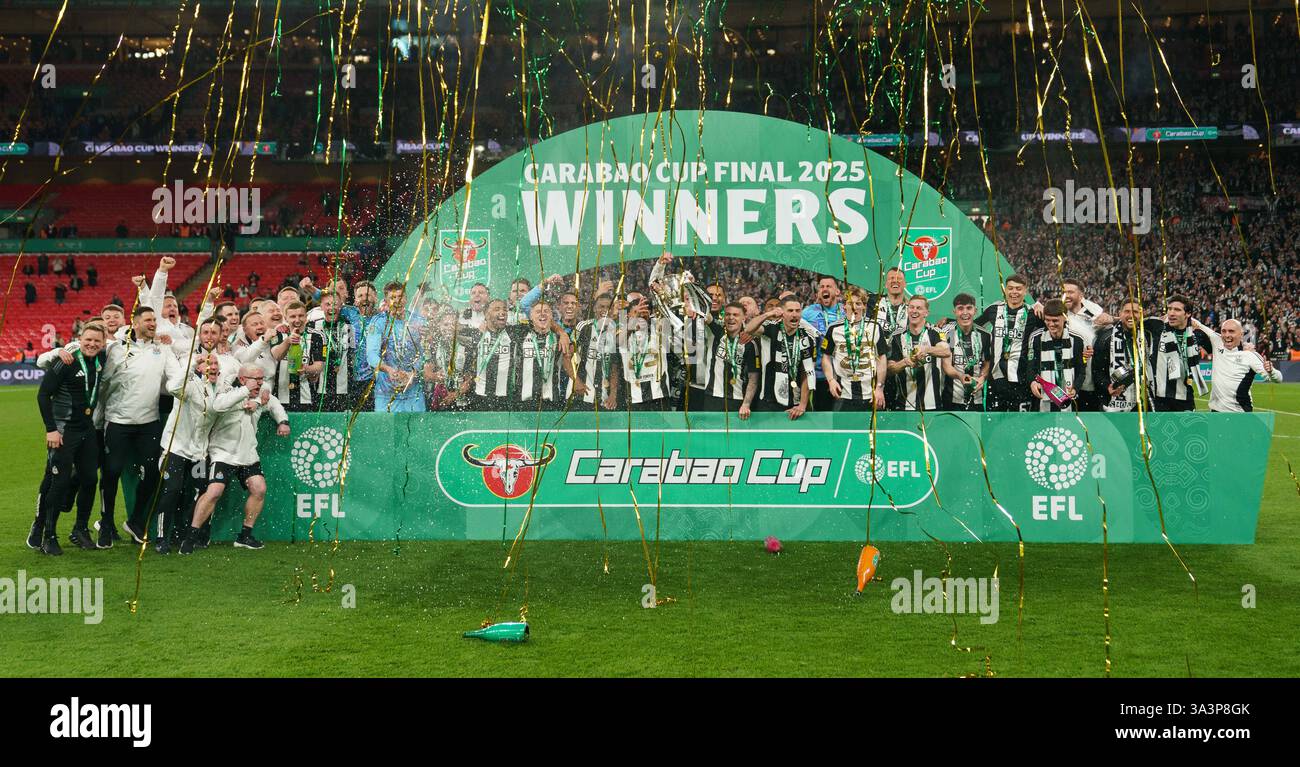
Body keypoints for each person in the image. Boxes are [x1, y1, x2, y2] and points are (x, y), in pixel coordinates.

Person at [98, 306, 181, 545]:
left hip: (149, 422)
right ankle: (106, 524)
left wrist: (182, 389)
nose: (153, 323)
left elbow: (175, 375)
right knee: (111, 472)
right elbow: (104, 382)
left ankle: (135, 521)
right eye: (147, 320)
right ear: (135, 323)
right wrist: (100, 414)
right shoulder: (117, 349)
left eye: (154, 319)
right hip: (118, 422)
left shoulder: (162, 348)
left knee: (154, 473)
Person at [186, 365, 290, 551]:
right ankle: (192, 535)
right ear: (242, 380)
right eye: (256, 379)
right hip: (222, 454)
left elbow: (275, 405)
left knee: (259, 489)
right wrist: (246, 393)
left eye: (261, 379)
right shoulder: (228, 393)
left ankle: (245, 536)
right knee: (214, 492)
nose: (260, 383)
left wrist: (282, 422)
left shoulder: (261, 396)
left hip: (248, 455)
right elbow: (218, 405)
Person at [154, 353, 249, 554]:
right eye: (207, 363)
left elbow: (234, 397)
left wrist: (256, 399)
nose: (212, 366)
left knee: (199, 493)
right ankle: (161, 538)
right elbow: (172, 387)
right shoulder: (189, 386)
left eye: (215, 363)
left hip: (199, 452)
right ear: (199, 368)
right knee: (172, 490)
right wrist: (190, 366)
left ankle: (187, 534)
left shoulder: (222, 389)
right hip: (176, 448)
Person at [30, 324, 107, 555]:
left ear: (103, 344)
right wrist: (51, 429)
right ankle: (48, 535)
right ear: (79, 339)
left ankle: (80, 529)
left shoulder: (100, 359)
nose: (92, 344)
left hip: (87, 430)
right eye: (88, 340)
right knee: (59, 482)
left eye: (97, 341)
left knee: (90, 480)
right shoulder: (66, 361)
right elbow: (43, 395)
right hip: (63, 432)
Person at [975, 273, 1043, 412]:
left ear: (1025, 291)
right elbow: (973, 325)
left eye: (1018, 289)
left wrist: (1042, 307)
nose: (1014, 292)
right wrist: (949, 321)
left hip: (1021, 379)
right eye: (1010, 288)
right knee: (994, 423)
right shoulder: (994, 309)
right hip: (996, 379)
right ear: (1005, 290)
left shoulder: (1032, 313)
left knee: (1019, 424)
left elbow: (1054, 329)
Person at [1190, 317, 1283, 412]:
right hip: (1215, 413)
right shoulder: (1216, 341)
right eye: (1224, 331)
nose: (1227, 335)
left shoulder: (1249, 355)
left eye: (1231, 331)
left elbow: (1279, 378)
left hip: (1240, 414)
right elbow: (1196, 324)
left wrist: (1271, 371)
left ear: (1241, 334)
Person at [746, 297, 815, 419]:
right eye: (790, 311)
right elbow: (749, 329)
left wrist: (802, 405)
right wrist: (768, 314)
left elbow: (807, 372)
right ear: (782, 313)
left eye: (797, 311)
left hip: (794, 403)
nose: (794, 314)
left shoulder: (806, 337)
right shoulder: (772, 329)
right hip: (769, 401)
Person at [821, 286, 887, 411]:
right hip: (842, 393)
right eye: (850, 303)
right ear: (844, 306)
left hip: (871, 393)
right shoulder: (834, 329)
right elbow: (825, 357)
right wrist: (830, 380)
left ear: (864, 306)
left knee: (871, 431)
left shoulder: (875, 327)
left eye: (858, 303)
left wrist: (879, 388)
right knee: (843, 430)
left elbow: (882, 358)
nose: (854, 307)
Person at [688, 301, 760, 415]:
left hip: (737, 400)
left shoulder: (750, 344)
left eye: (735, 315)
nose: (731, 318)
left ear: (744, 318)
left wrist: (746, 404)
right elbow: (707, 316)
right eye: (728, 314)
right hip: (712, 397)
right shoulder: (716, 332)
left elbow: (753, 379)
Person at [365, 282, 426, 412]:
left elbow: (424, 354)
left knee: (417, 431)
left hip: (413, 394)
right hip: (386, 394)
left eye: (401, 296)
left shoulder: (417, 321)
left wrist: (412, 373)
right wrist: (389, 370)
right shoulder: (378, 322)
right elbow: (371, 355)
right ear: (386, 301)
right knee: (385, 432)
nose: (398, 301)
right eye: (393, 297)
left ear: (406, 298)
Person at [1092, 299, 1158, 413]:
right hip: (1112, 403)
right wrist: (1107, 386)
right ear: (1119, 313)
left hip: (1142, 401)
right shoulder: (1106, 338)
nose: (1131, 315)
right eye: (1127, 311)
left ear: (1141, 314)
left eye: (1135, 312)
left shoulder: (1148, 336)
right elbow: (1097, 370)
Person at [886, 296, 950, 411]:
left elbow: (945, 351)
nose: (914, 311)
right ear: (907, 310)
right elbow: (890, 370)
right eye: (911, 307)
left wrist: (926, 349)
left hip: (932, 405)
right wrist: (905, 362)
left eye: (919, 308)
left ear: (926, 313)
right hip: (903, 405)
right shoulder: (897, 337)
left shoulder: (935, 333)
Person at [1023, 299, 1087, 413]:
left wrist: (1075, 388)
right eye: (1047, 320)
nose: (1051, 324)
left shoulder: (1077, 340)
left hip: (1068, 397)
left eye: (1055, 320)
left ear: (1065, 317)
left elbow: (1081, 370)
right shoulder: (1036, 338)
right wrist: (1032, 382)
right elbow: (1030, 367)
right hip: (1043, 398)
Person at [1149, 296, 1211, 412]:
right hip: (1158, 399)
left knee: (1192, 430)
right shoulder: (1156, 327)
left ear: (1187, 314)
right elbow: (1131, 321)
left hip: (1185, 397)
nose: (1171, 313)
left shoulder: (1197, 334)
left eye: (1177, 310)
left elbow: (1220, 345)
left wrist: (1247, 348)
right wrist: (1111, 319)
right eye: (1169, 309)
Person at [515, 301, 581, 409]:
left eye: (546, 311)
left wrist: (576, 381)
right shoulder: (520, 334)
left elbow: (568, 361)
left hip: (551, 401)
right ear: (530, 317)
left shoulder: (561, 339)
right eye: (538, 312)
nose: (542, 314)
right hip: (523, 402)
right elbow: (523, 303)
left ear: (551, 316)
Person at [617, 290, 674, 411]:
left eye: (644, 311)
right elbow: (618, 341)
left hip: (660, 397)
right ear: (628, 316)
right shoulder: (623, 332)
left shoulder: (659, 328)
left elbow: (669, 315)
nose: (641, 315)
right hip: (635, 399)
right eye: (637, 312)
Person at [939, 293, 993, 411]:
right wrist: (960, 376)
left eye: (969, 308)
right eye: (960, 309)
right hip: (951, 400)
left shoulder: (985, 336)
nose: (965, 312)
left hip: (977, 400)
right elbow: (946, 365)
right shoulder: (947, 334)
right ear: (954, 311)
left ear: (975, 310)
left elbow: (987, 363)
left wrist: (982, 377)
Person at [569, 294, 622, 411]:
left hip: (604, 398)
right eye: (601, 307)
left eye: (608, 307)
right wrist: (576, 381)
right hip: (582, 395)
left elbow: (614, 367)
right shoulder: (583, 327)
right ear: (594, 308)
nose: (604, 310)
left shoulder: (614, 332)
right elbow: (566, 357)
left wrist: (613, 394)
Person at [465, 299, 516, 410]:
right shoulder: (476, 334)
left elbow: (538, 319)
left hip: (506, 399)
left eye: (504, 309)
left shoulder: (514, 333)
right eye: (497, 309)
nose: (502, 312)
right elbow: (454, 331)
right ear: (486, 314)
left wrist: (561, 332)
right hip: (480, 397)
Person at [274, 301, 326, 411]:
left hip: (307, 397)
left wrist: (306, 369)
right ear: (285, 318)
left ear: (306, 317)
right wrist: (288, 341)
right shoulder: (278, 335)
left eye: (301, 316)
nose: (297, 320)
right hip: (279, 397)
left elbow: (319, 366)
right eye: (292, 316)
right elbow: (276, 355)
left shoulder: (317, 336)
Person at [803, 275, 845, 411]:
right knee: (823, 418)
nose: (824, 289)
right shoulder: (809, 313)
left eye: (828, 286)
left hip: (844, 374)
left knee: (843, 419)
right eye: (821, 287)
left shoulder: (846, 311)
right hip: (820, 376)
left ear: (837, 291)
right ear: (818, 293)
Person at [313, 293, 358, 411]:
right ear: (321, 306)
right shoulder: (313, 326)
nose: (331, 308)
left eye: (335, 304)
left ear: (341, 306)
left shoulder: (349, 326)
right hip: (319, 388)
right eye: (327, 304)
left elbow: (352, 354)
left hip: (343, 387)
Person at [874, 267, 909, 338]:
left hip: (902, 348)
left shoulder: (912, 308)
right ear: (886, 284)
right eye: (891, 278)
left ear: (905, 284)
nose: (895, 281)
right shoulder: (873, 301)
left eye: (899, 278)